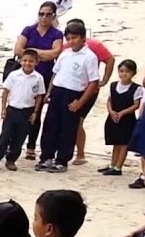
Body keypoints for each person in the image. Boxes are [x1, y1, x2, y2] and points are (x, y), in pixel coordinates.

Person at [37, 22, 100, 173]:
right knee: (50, 125)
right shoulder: (65, 53)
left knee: (68, 128)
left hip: (73, 94)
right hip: (57, 91)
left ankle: (62, 160)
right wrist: (49, 92)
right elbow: (56, 73)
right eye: (69, 38)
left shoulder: (90, 57)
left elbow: (93, 82)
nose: (71, 41)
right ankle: (46, 157)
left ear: (83, 38)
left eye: (75, 38)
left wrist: (80, 102)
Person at [13, 1, 64, 161]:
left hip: (44, 76)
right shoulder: (28, 30)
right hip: (24, 75)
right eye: (41, 14)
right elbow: (18, 50)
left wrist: (32, 53)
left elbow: (55, 53)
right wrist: (41, 54)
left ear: (54, 16)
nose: (44, 17)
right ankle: (12, 143)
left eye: (48, 14)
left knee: (36, 111)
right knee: (17, 108)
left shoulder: (56, 34)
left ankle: (31, 146)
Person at [0, 49, 46, 172]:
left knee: (20, 137)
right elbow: (5, 92)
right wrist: (3, 108)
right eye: (25, 60)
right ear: (20, 61)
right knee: (5, 135)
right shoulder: (14, 75)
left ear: (36, 62)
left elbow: (39, 96)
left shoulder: (38, 78)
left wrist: (35, 112)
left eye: (31, 61)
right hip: (12, 109)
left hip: (27, 111)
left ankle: (11, 160)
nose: (27, 63)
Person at [73, 29, 116, 166]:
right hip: (71, 88)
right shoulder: (66, 45)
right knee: (68, 121)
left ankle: (80, 154)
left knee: (79, 121)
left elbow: (110, 59)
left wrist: (104, 80)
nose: (72, 39)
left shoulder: (94, 44)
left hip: (90, 89)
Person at [102, 59, 144, 176]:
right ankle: (112, 165)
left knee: (124, 143)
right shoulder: (113, 85)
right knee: (115, 142)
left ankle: (118, 167)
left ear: (133, 73)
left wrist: (122, 113)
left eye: (127, 71)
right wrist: (111, 111)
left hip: (127, 120)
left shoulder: (137, 88)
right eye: (121, 71)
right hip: (113, 117)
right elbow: (110, 100)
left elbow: (136, 105)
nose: (124, 74)